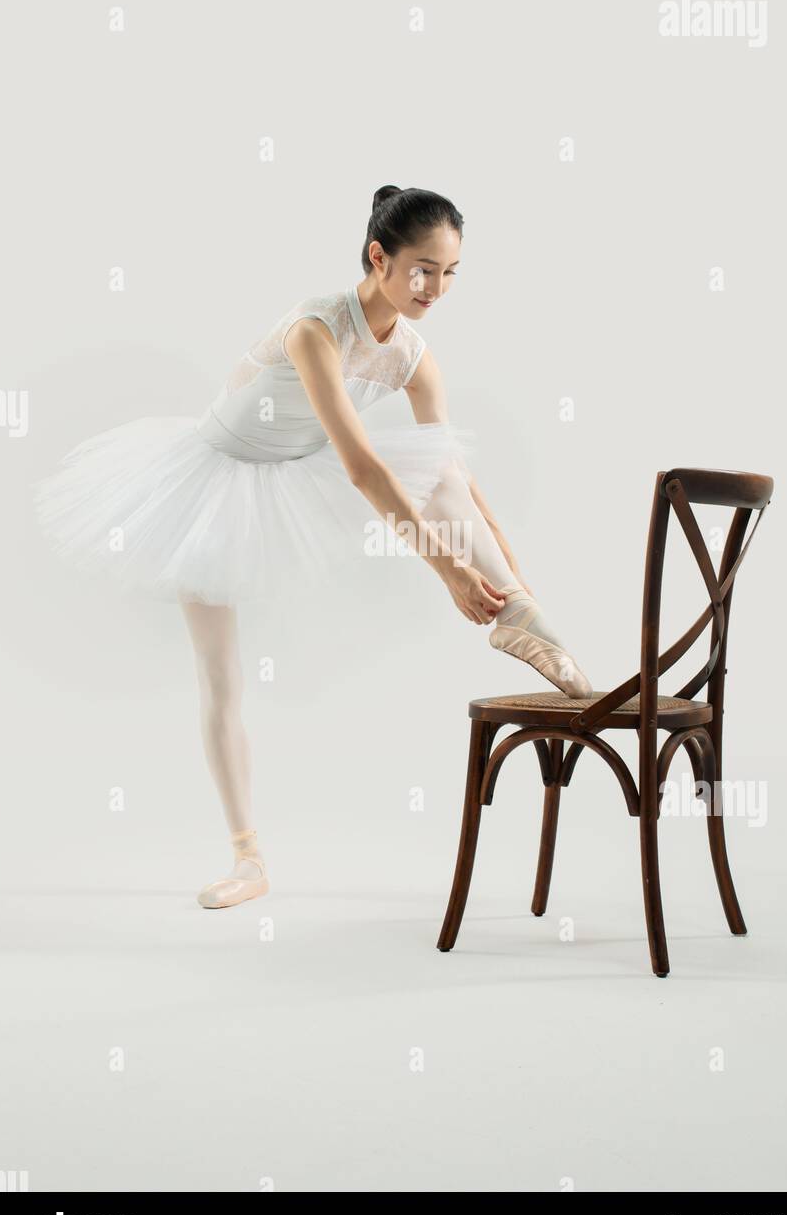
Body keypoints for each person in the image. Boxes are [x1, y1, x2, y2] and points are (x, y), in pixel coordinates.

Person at [31, 185, 592, 910]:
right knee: (221, 675)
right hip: (212, 481)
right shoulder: (316, 328)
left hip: (299, 472)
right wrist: (449, 571)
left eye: (450, 272)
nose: (436, 289)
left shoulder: (415, 356)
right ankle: (247, 859)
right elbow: (362, 467)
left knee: (443, 474)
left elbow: (450, 465)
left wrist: (507, 571)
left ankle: (524, 616)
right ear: (377, 256)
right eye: (423, 269)